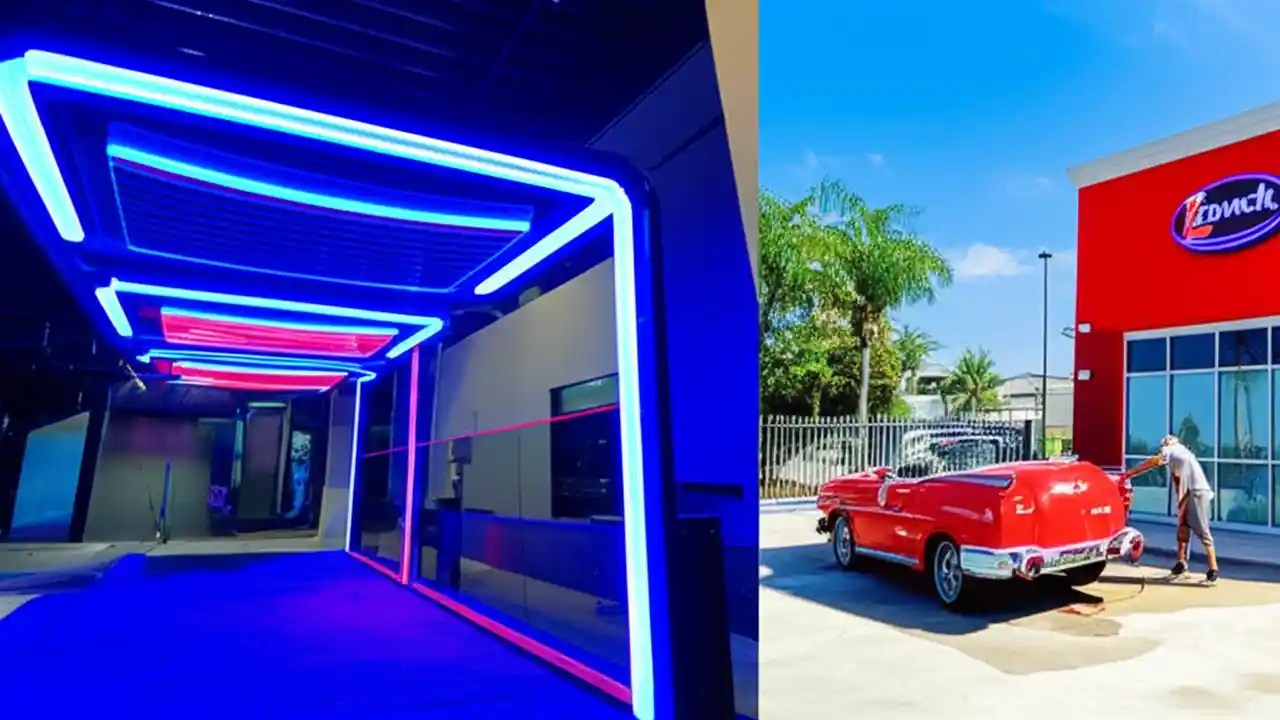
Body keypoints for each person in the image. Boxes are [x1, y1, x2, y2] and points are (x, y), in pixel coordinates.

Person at [1134, 435, 1219, 584]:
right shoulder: (1182, 455)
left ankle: (1213, 569)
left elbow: (1155, 461)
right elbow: (1179, 482)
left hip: (1196, 493)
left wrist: (1132, 472)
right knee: (1182, 528)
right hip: (1190, 493)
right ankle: (1181, 563)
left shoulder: (1174, 450)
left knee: (1202, 531)